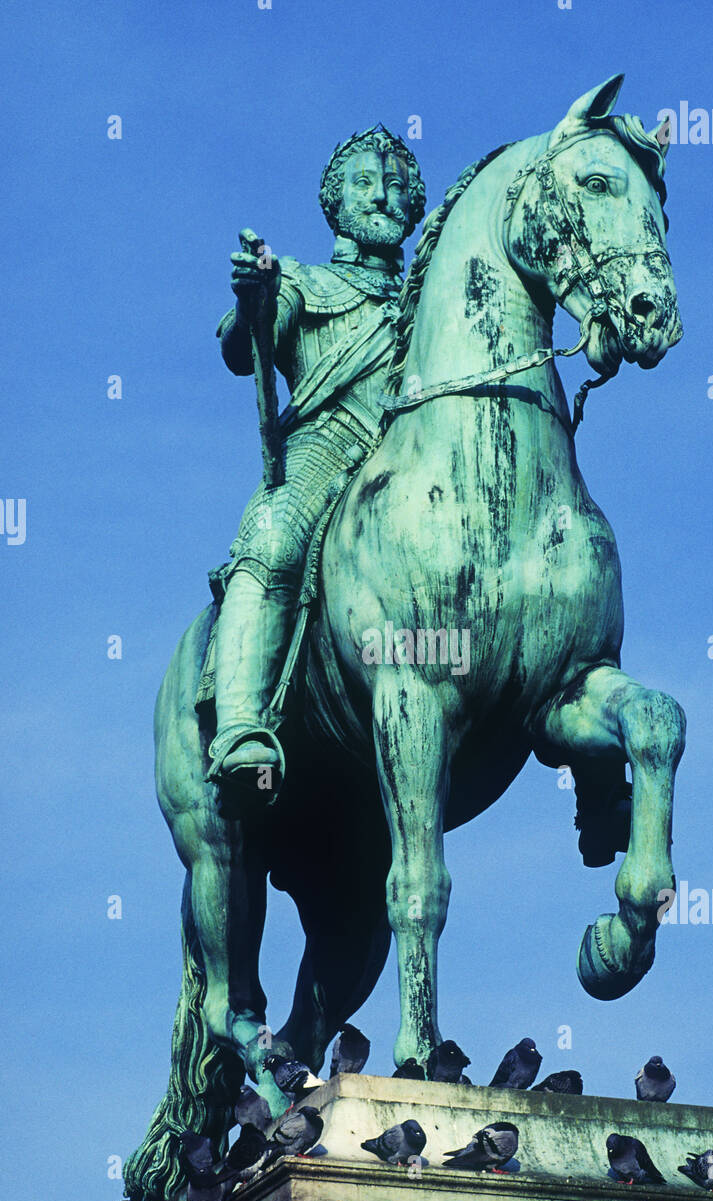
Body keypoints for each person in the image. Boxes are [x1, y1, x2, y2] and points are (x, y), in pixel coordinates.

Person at [200, 126, 426, 805]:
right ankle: (241, 727)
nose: (381, 196)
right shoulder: (303, 278)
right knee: (271, 540)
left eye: (394, 187)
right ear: (335, 203)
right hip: (328, 445)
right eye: (364, 183)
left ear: (415, 206)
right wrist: (255, 298)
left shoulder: (432, 296)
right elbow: (245, 350)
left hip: (417, 454)